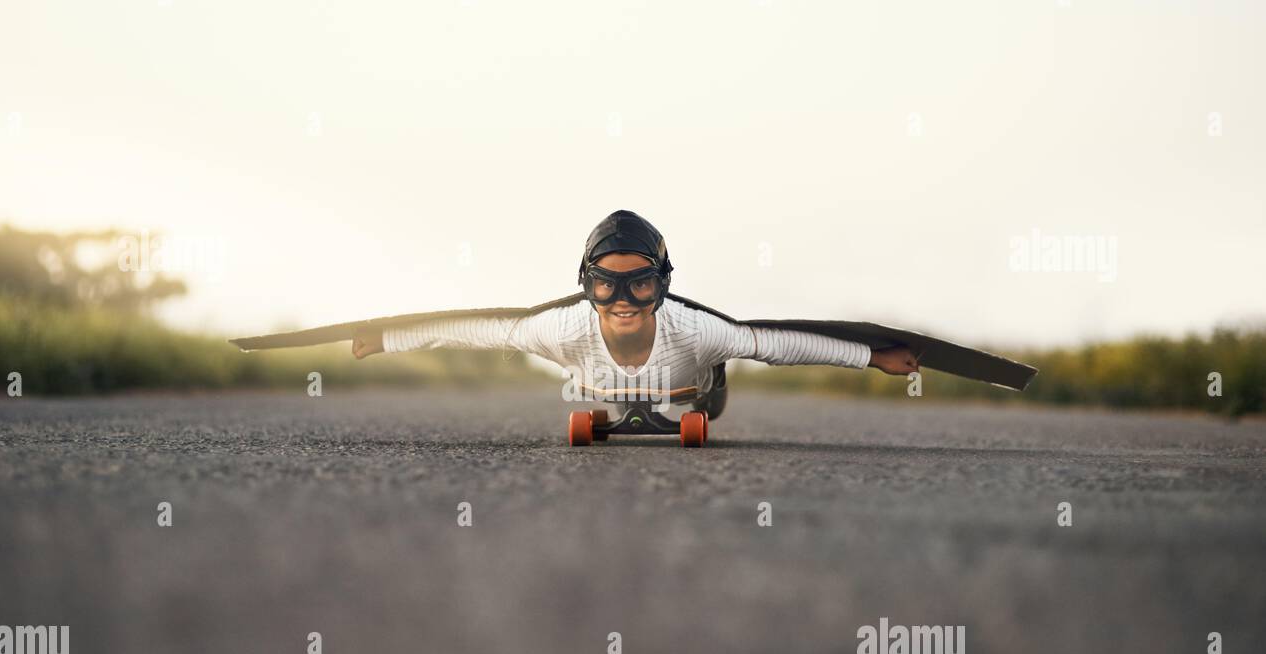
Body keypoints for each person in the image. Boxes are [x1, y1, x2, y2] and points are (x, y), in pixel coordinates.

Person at [350, 210, 918, 417]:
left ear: (662, 287)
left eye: (640, 284)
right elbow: (475, 331)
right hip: (597, 383)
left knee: (725, 355)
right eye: (606, 285)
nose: (622, 299)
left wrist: (873, 357)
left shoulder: (697, 330)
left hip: (685, 382)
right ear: (586, 285)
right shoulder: (559, 327)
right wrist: (388, 338)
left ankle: (712, 385)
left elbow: (779, 345)